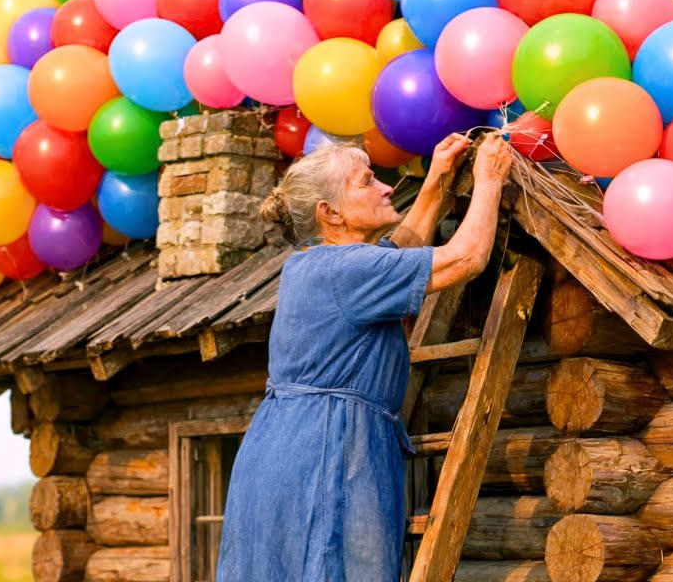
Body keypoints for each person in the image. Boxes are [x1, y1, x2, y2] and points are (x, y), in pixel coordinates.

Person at [216, 132, 515, 582]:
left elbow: (402, 255)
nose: (387, 187)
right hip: (329, 446)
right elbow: (465, 258)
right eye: (367, 181)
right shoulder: (344, 270)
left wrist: (435, 180)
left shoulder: (322, 264)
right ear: (330, 213)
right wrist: (489, 178)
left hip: (293, 442)